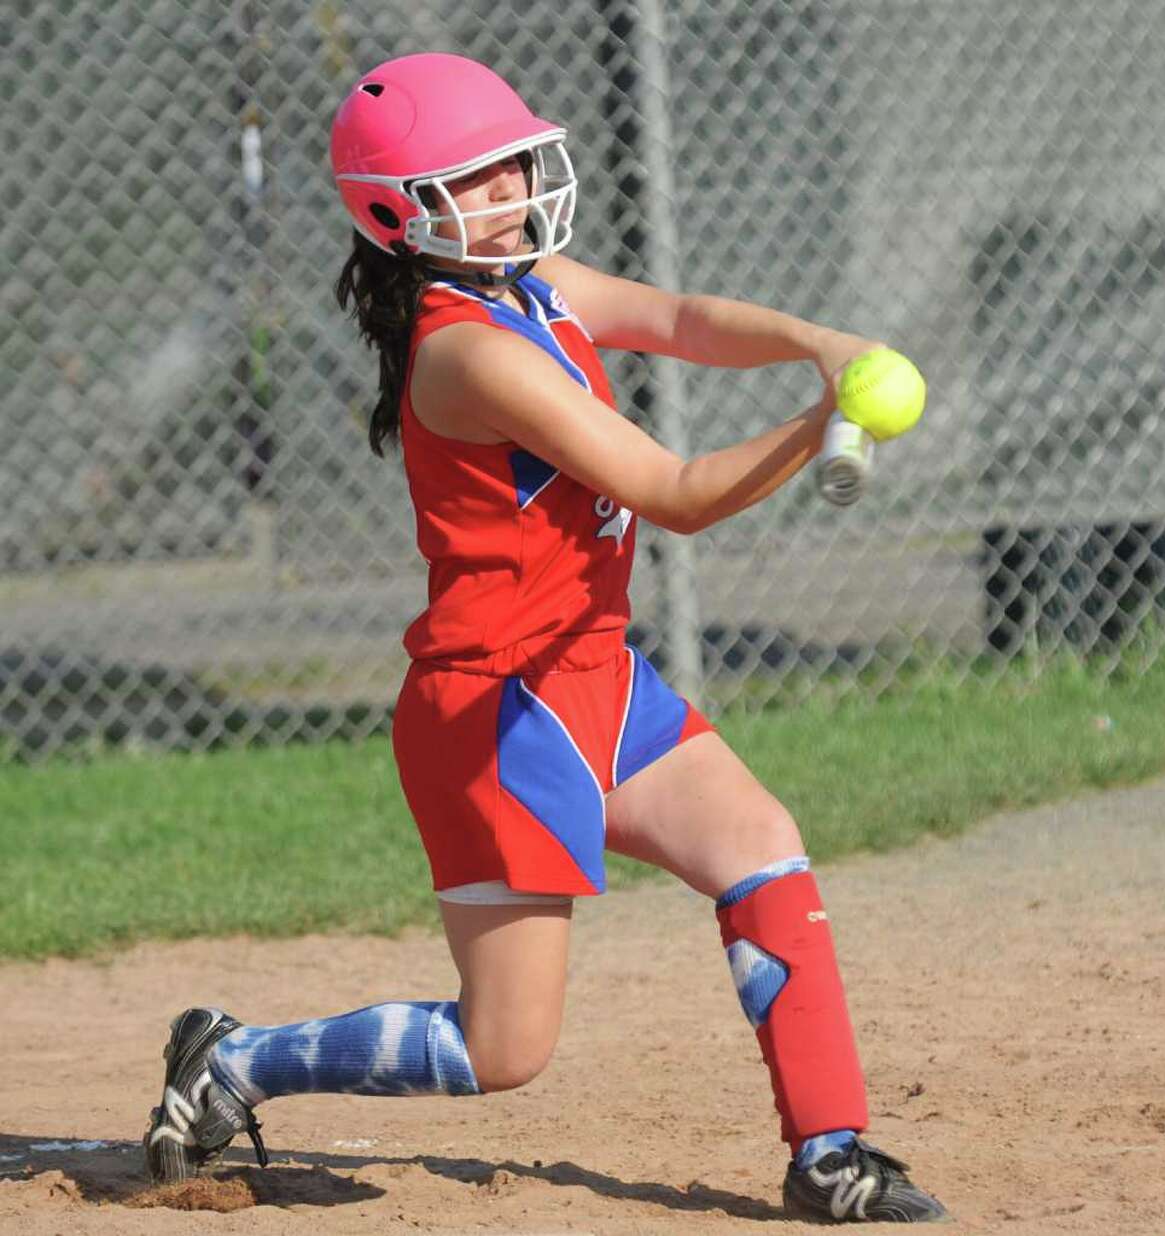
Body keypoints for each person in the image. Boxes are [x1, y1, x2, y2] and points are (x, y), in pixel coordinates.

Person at [143, 52, 947, 1224]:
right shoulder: (468, 352)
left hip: (595, 675)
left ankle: (832, 1153)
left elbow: (674, 319)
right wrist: (819, 419)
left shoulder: (535, 284)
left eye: (515, 161)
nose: (515, 187)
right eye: (476, 179)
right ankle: (230, 1064)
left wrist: (823, 345)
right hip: (499, 716)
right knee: (503, 1048)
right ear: (401, 215)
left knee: (762, 847)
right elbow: (671, 491)